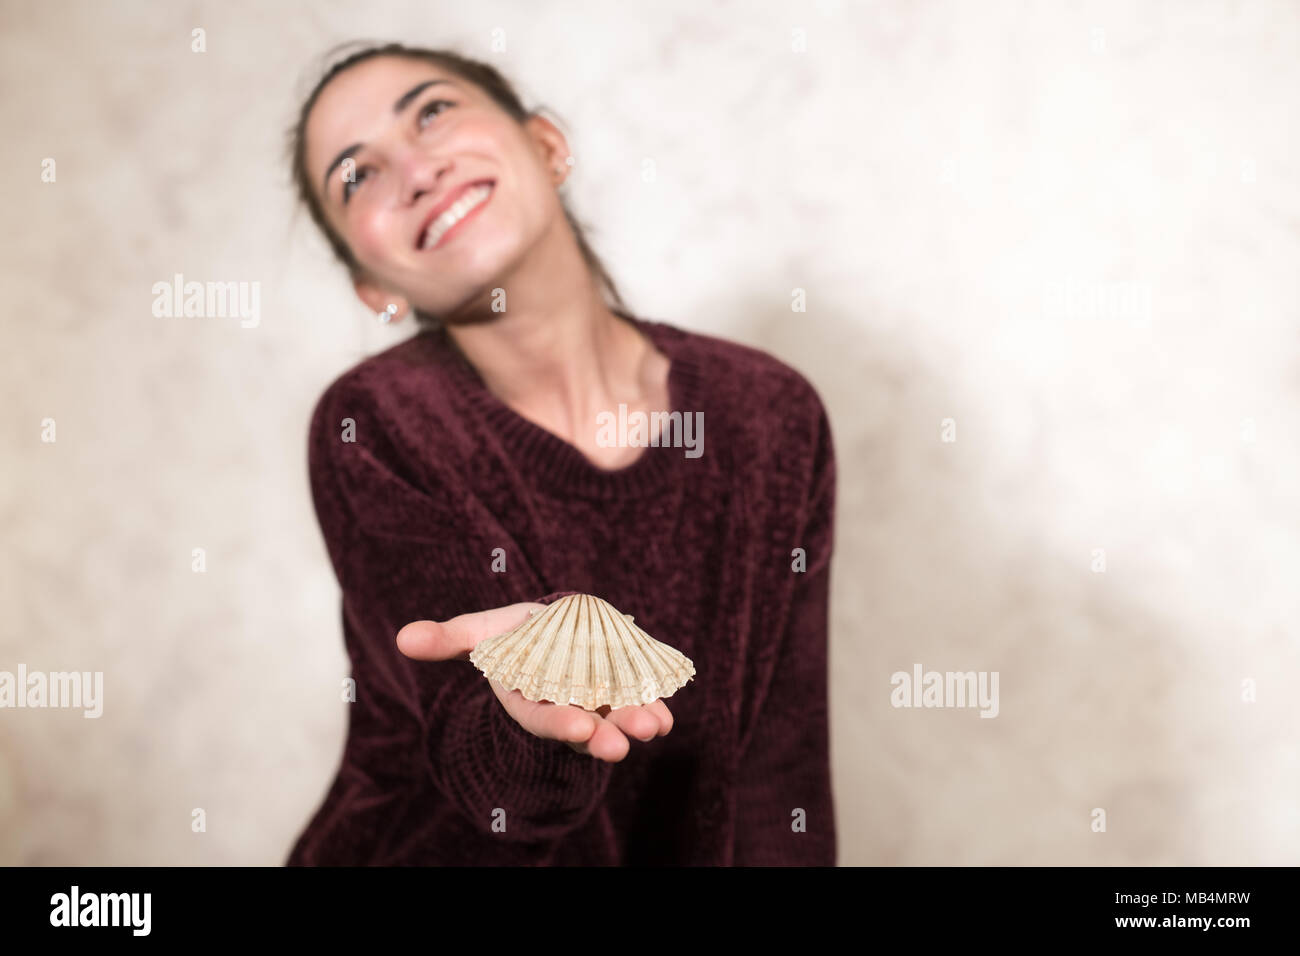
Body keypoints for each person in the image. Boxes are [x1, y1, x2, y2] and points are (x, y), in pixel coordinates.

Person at [282, 41, 837, 865]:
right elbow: (486, 776)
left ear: (546, 146)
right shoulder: (374, 424)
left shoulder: (769, 413)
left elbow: (776, 772)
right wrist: (528, 717)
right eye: (357, 175)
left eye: (432, 112)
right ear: (377, 290)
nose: (416, 170)